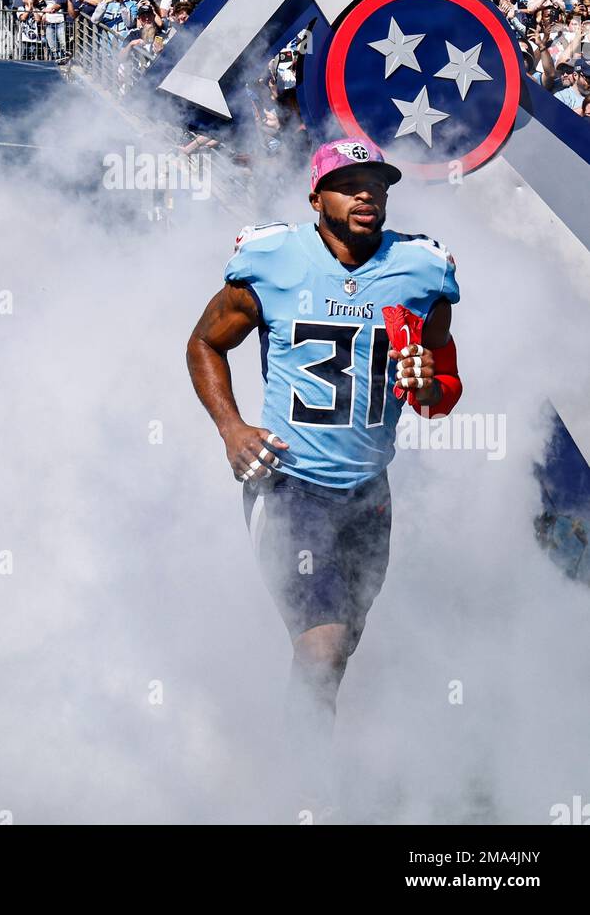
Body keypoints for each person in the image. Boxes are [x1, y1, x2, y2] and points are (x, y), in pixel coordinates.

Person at [186, 137, 462, 816]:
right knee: (323, 647)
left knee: (340, 649)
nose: (367, 193)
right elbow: (204, 342)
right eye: (349, 182)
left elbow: (439, 389)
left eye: (377, 182)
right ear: (317, 198)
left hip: (369, 492)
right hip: (289, 483)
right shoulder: (275, 261)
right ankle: (306, 797)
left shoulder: (419, 271)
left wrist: (429, 384)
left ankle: (264, 752)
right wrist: (232, 428)